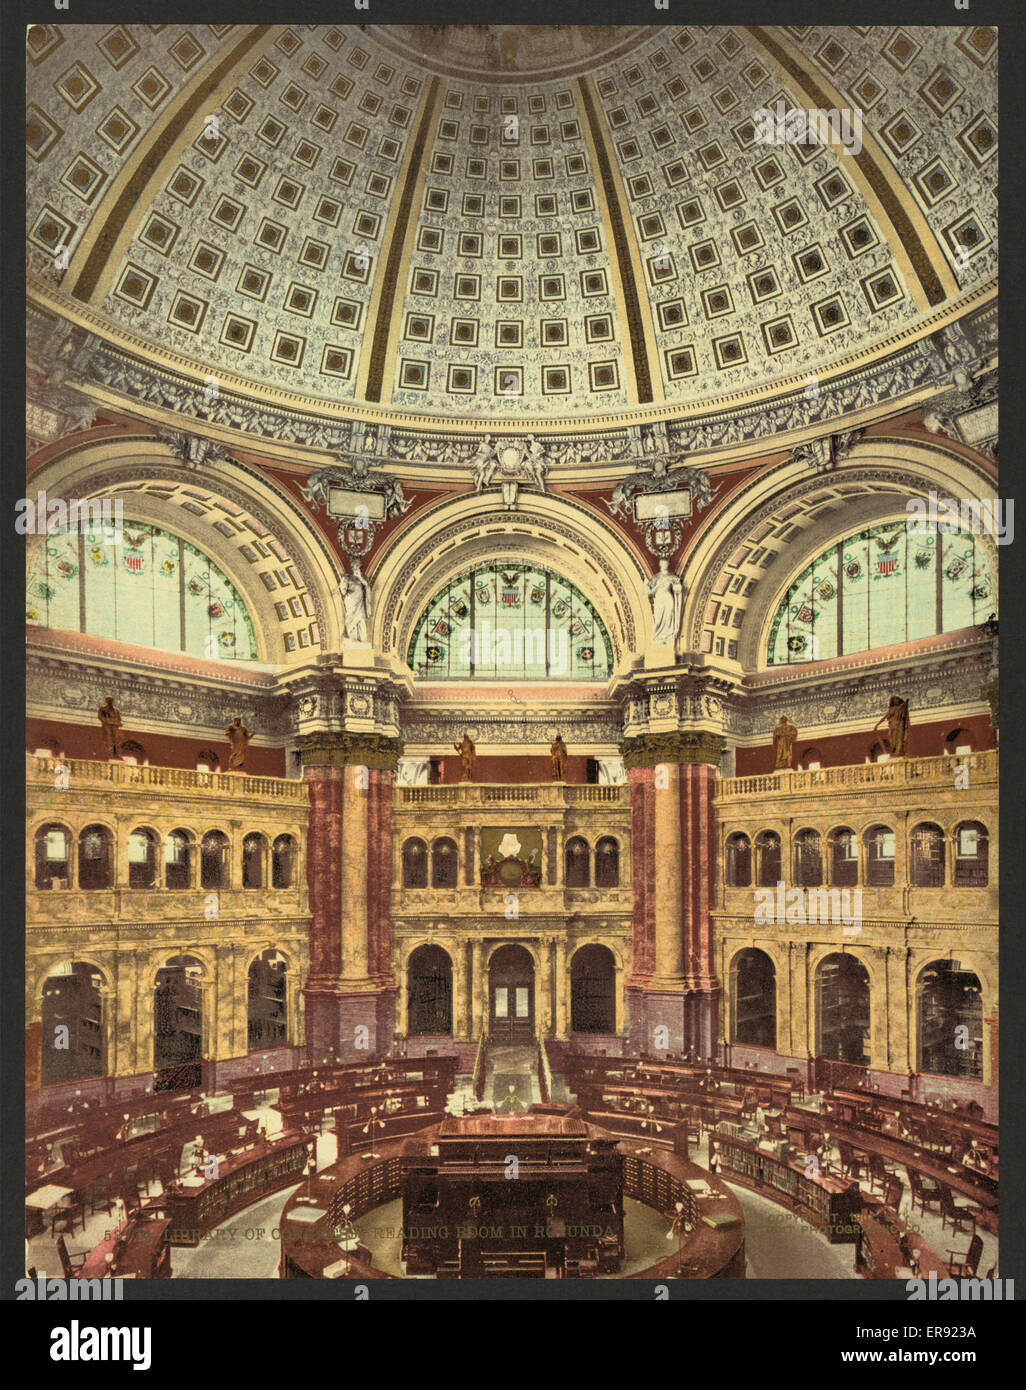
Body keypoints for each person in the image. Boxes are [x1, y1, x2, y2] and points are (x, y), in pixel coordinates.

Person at [646, 557, 683, 646]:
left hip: (668, 598)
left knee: (669, 617)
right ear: (660, 564)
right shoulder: (656, 578)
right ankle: (657, 638)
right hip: (659, 599)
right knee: (658, 621)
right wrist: (657, 586)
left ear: (668, 564)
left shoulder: (672, 577)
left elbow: (678, 589)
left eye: (666, 563)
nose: (664, 565)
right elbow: (650, 593)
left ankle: (668, 637)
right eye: (663, 563)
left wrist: (677, 588)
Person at [341, 557, 372, 643]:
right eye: (354, 566)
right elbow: (343, 591)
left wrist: (360, 577)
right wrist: (343, 584)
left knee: (361, 619)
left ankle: (362, 639)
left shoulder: (363, 577)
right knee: (351, 618)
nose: (355, 568)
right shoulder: (348, 578)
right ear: (352, 568)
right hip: (351, 601)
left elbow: (367, 586)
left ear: (359, 567)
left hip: (360, 602)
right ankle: (351, 637)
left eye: (357, 566)